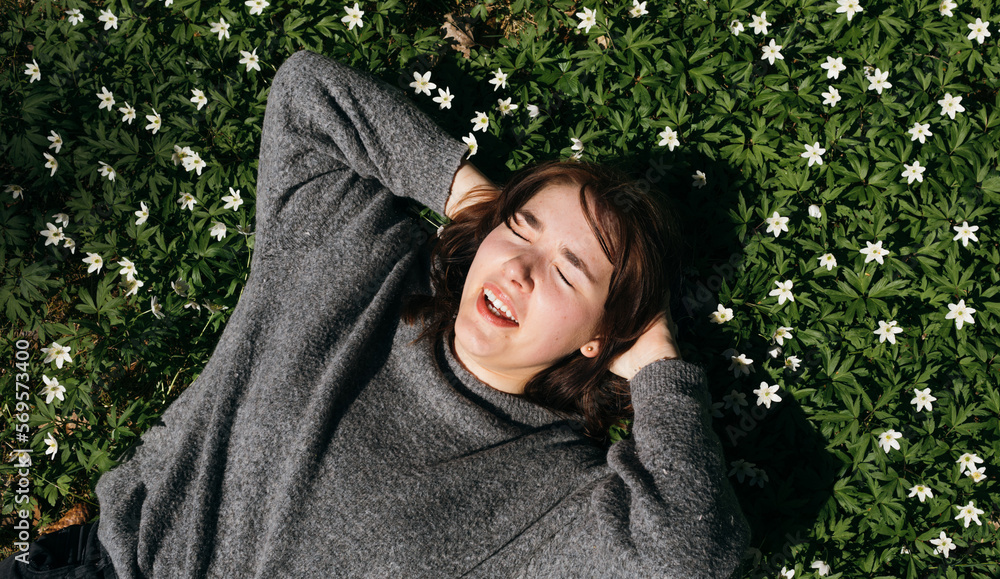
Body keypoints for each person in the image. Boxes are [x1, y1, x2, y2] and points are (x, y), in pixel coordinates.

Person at [2, 50, 749, 578]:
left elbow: (690, 552)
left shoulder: (557, 495)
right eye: (522, 227)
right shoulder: (361, 252)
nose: (519, 267)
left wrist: (657, 364)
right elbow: (307, 94)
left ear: (599, 337)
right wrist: (474, 203)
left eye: (567, 270)